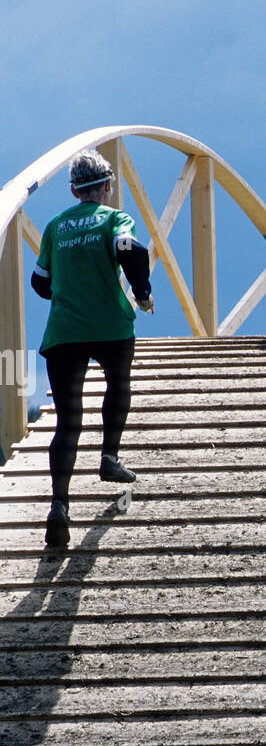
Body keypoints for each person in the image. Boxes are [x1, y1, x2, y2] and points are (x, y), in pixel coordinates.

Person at [31, 149, 153, 550]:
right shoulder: (115, 217)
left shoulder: (54, 226)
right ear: (106, 186)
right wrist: (142, 292)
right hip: (110, 325)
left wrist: (68, 289)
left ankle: (59, 504)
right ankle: (109, 457)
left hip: (64, 330)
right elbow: (131, 249)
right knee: (118, 383)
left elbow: (40, 282)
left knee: (68, 420)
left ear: (73, 189)